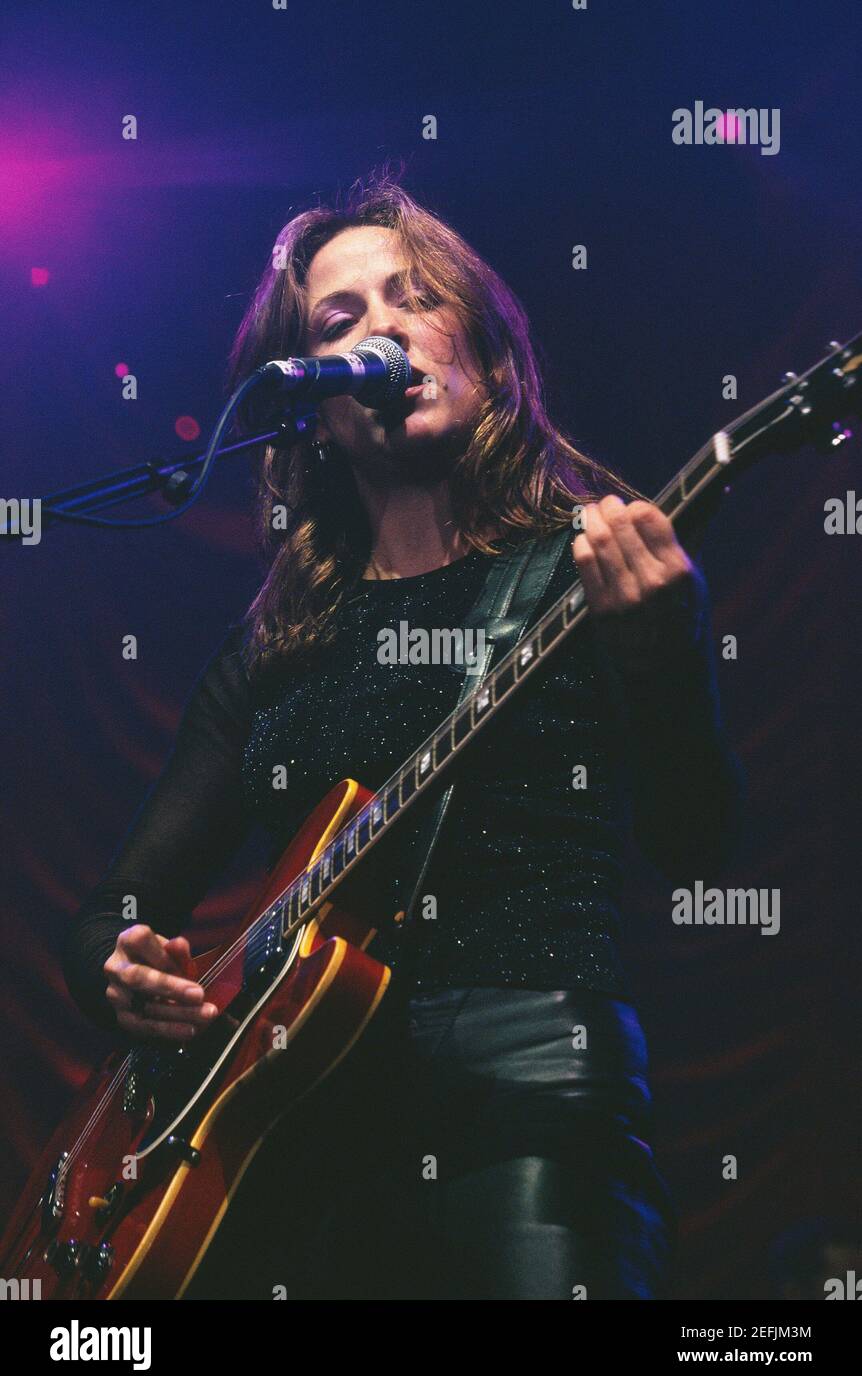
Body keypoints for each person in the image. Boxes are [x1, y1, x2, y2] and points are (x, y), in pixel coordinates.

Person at [62, 173, 744, 1300]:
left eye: (412, 296)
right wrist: (117, 973)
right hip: (289, 1145)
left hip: (527, 1110)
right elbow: (112, 909)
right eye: (339, 323)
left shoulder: (581, 568)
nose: (378, 328)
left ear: (487, 349)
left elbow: (697, 843)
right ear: (314, 409)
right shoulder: (277, 647)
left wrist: (665, 655)